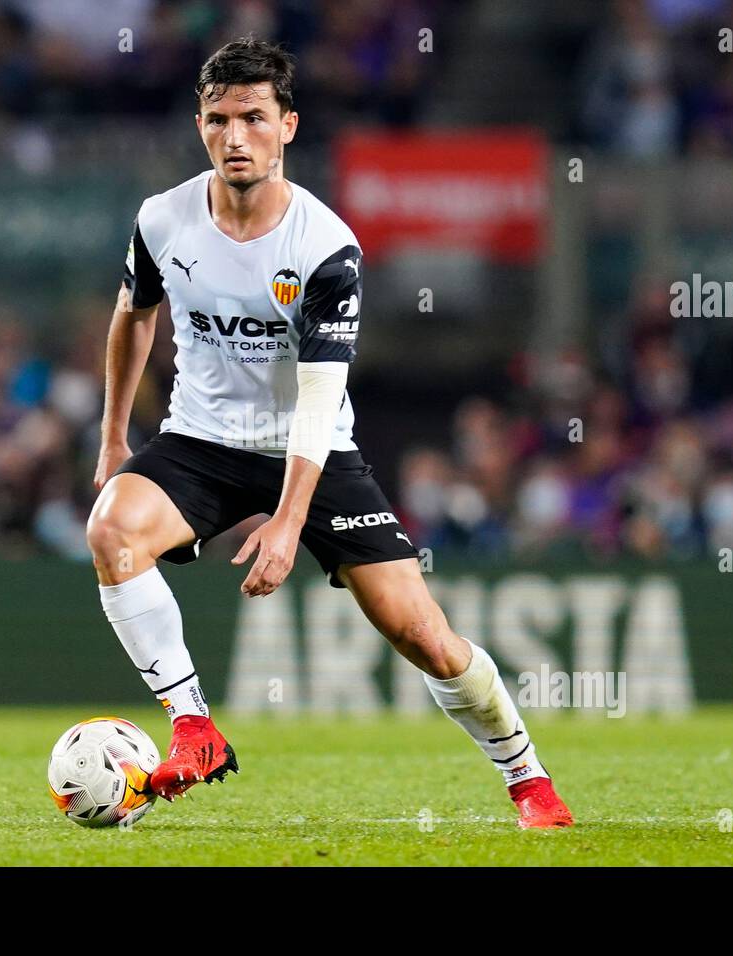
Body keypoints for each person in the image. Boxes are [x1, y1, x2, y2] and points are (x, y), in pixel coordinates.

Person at [85, 37, 572, 828]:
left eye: (252, 118)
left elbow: (319, 398)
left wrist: (286, 520)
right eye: (218, 120)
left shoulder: (323, 246)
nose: (234, 136)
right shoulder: (161, 219)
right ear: (199, 125)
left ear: (288, 126)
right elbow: (133, 316)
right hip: (200, 442)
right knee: (111, 530)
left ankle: (529, 780)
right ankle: (194, 727)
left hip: (309, 450)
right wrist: (113, 438)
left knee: (426, 639)